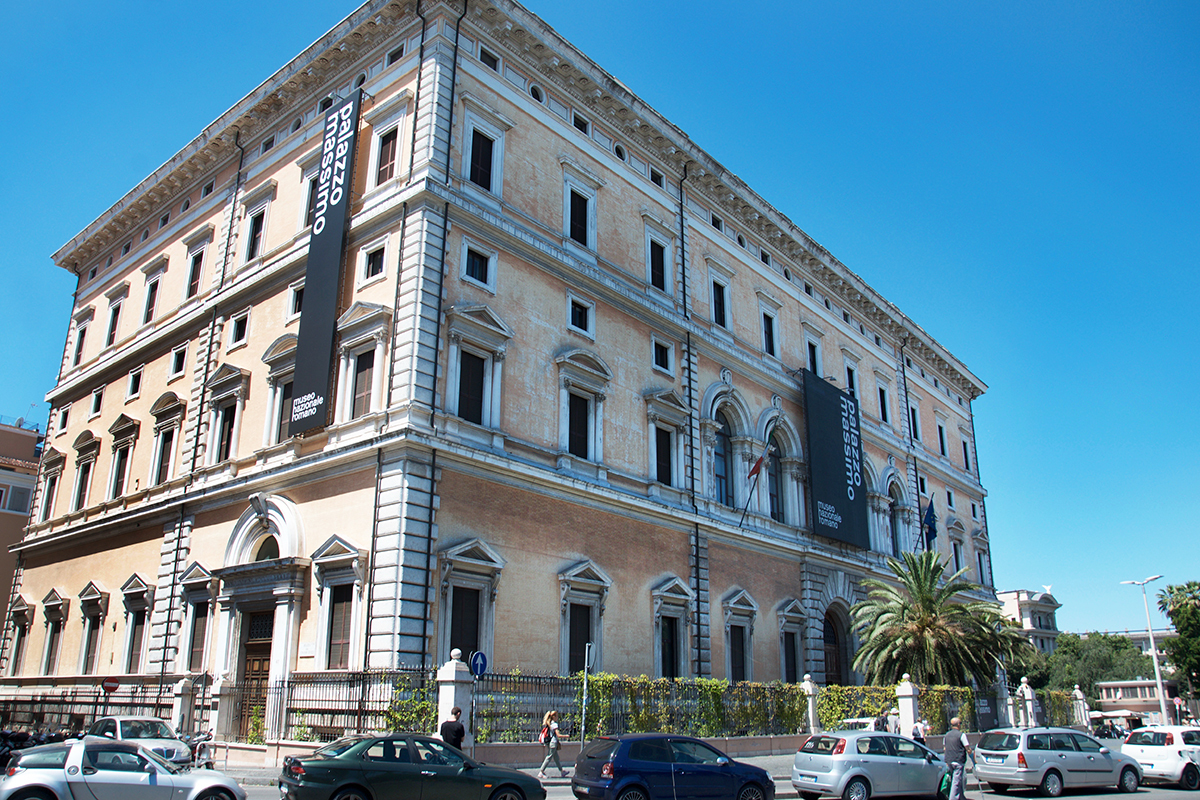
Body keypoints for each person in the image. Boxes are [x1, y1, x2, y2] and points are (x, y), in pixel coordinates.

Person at [944, 717, 972, 800]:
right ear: (958, 725)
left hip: (949, 761)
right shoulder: (961, 735)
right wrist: (970, 751)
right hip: (958, 761)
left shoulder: (946, 735)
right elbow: (967, 747)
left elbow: (945, 748)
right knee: (956, 782)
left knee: (958, 780)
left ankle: (961, 797)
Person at [537, 709, 568, 780]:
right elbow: (558, 735)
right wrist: (566, 736)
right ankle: (541, 772)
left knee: (556, 758)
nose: (557, 718)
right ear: (553, 716)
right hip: (553, 743)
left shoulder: (549, 723)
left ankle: (562, 771)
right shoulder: (554, 724)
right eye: (556, 716)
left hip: (550, 742)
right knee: (549, 757)